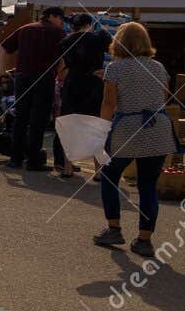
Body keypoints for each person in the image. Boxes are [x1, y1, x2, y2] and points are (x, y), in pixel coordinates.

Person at [93, 22, 178, 258]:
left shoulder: (116, 69)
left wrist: (102, 129)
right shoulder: (159, 67)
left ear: (118, 42)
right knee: (148, 184)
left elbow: (109, 103)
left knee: (110, 177)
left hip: (127, 127)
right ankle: (144, 240)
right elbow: (164, 98)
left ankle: (114, 229)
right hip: (158, 128)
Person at [0, 5, 66, 171]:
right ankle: (33, 160)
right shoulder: (59, 33)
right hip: (45, 79)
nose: (62, 22)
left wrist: (1, 72)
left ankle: (15, 158)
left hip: (23, 78)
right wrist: (56, 72)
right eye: (61, 18)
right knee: (39, 120)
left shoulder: (25, 29)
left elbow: (2, 47)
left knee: (21, 118)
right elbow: (65, 59)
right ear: (52, 16)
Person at [53, 14, 109, 179]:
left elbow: (61, 68)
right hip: (94, 83)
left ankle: (68, 167)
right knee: (95, 125)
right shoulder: (99, 38)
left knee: (69, 125)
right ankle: (98, 170)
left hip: (73, 84)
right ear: (89, 24)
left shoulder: (65, 42)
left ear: (72, 26)